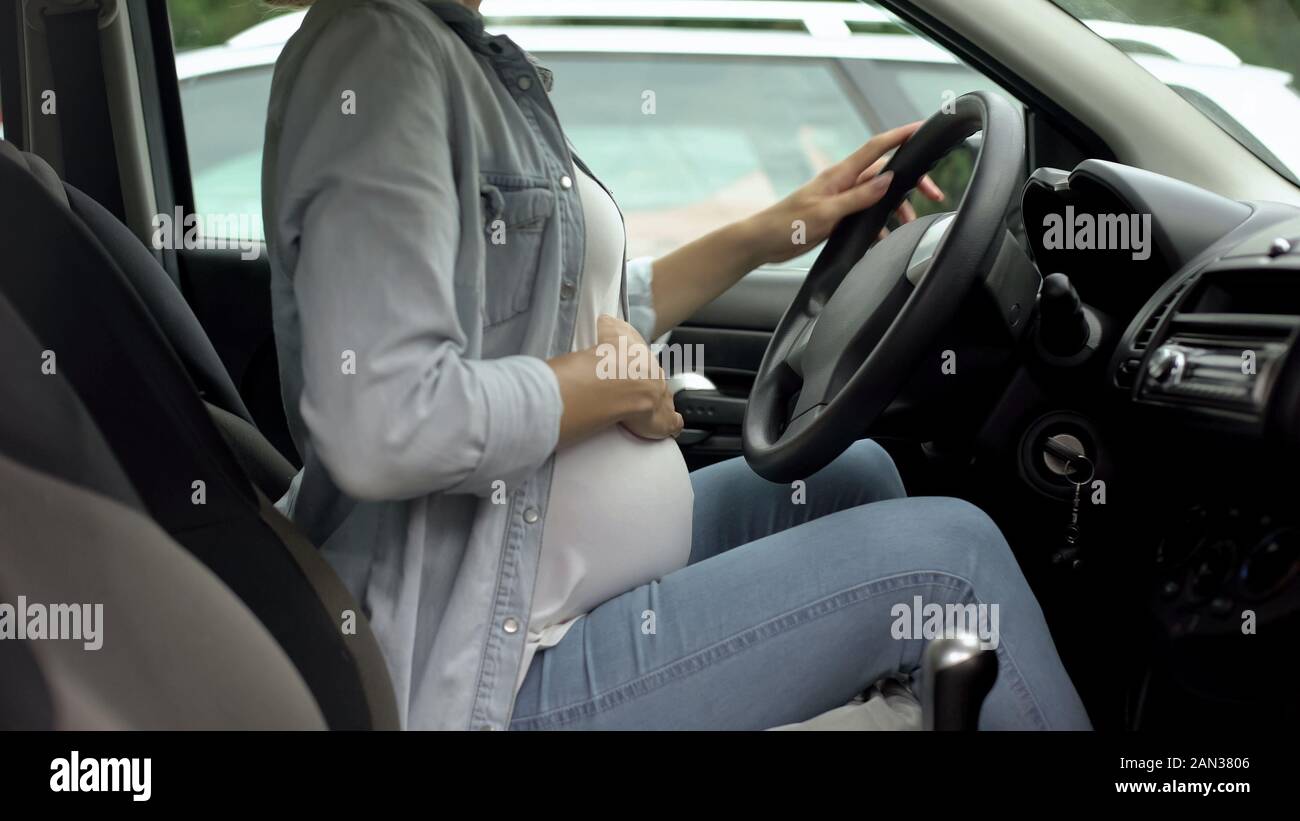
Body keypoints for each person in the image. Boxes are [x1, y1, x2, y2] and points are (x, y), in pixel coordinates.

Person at [262, 0, 1091, 730]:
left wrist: (785, 227)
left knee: (855, 475)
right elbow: (383, 419)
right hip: (486, 668)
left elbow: (570, 303)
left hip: (541, 584)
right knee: (954, 562)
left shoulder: (461, 56)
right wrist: (605, 386)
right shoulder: (377, 46)